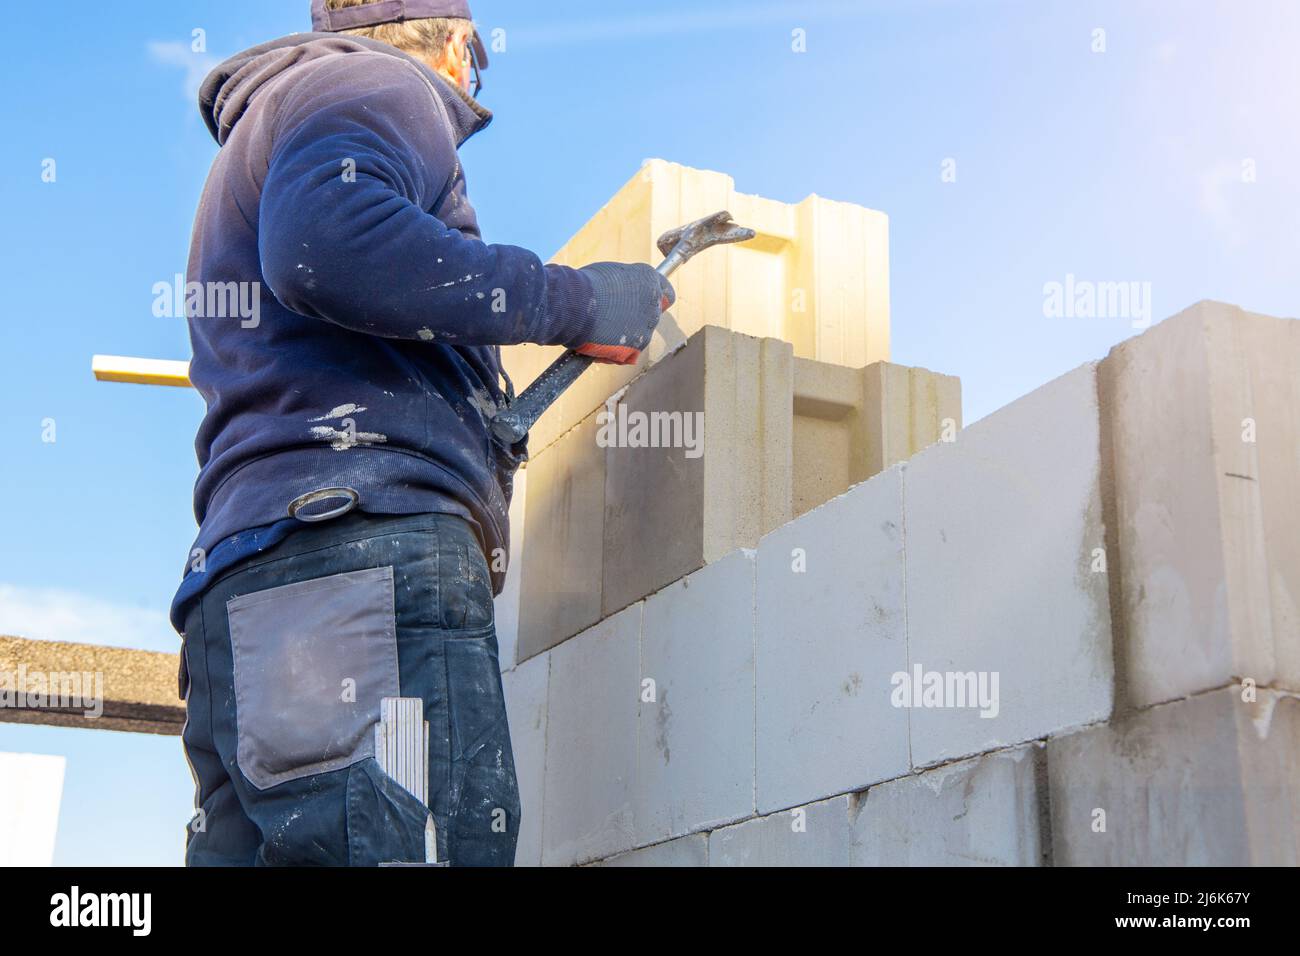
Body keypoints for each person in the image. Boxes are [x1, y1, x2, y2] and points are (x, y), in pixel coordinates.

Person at [172, 0, 674, 866]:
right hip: (352, 569)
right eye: (476, 56)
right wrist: (579, 301)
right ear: (453, 43)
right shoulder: (373, 82)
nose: (472, 79)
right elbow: (327, 244)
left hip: (254, 587)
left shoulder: (272, 120)